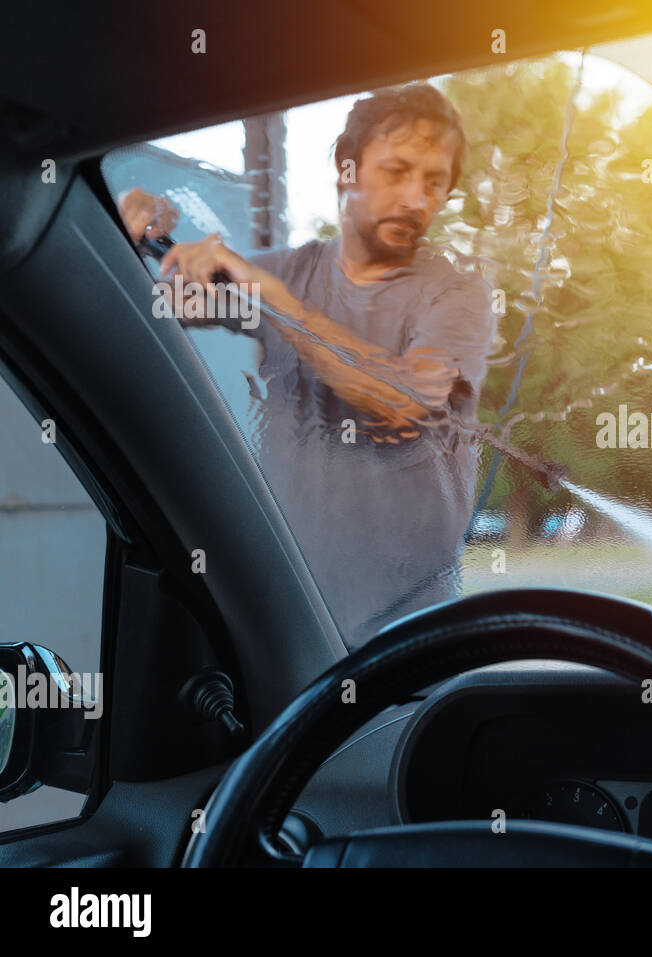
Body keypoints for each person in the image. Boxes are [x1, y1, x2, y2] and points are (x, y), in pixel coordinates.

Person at [119, 82, 498, 651]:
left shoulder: (459, 295)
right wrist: (131, 226)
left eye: (434, 181)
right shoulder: (285, 271)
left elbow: (403, 404)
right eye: (397, 171)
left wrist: (275, 298)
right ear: (348, 170)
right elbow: (154, 301)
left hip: (415, 640)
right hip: (285, 629)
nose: (417, 199)